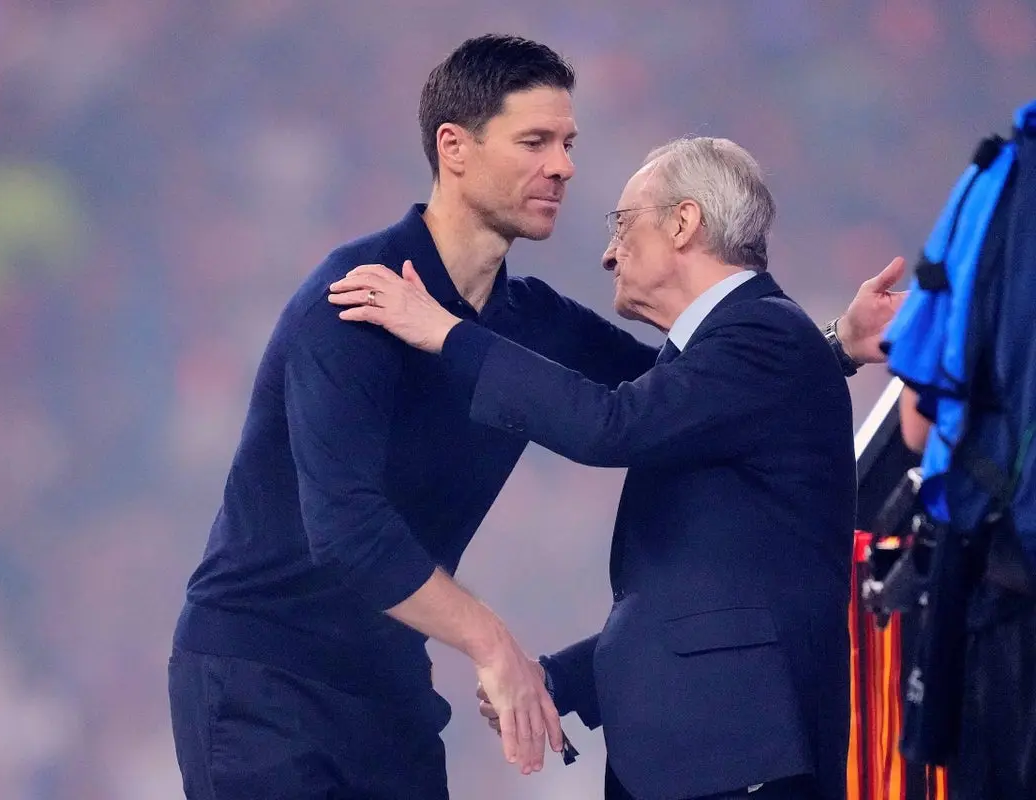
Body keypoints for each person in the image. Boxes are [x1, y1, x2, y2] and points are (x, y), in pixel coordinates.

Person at [170, 34, 900, 800]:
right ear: (454, 148)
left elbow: (677, 402)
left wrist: (828, 348)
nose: (563, 166)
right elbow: (345, 529)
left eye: (568, 143)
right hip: (264, 675)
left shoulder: (534, 321)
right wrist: (492, 643)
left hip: (388, 684)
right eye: (535, 142)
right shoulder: (359, 298)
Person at [329, 136, 862, 799]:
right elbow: (696, 598)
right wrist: (564, 680)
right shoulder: (737, 356)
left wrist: (446, 333)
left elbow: (608, 424)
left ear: (683, 223)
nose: (610, 252)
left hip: (738, 760)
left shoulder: (762, 336)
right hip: (711, 758)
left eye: (623, 223)